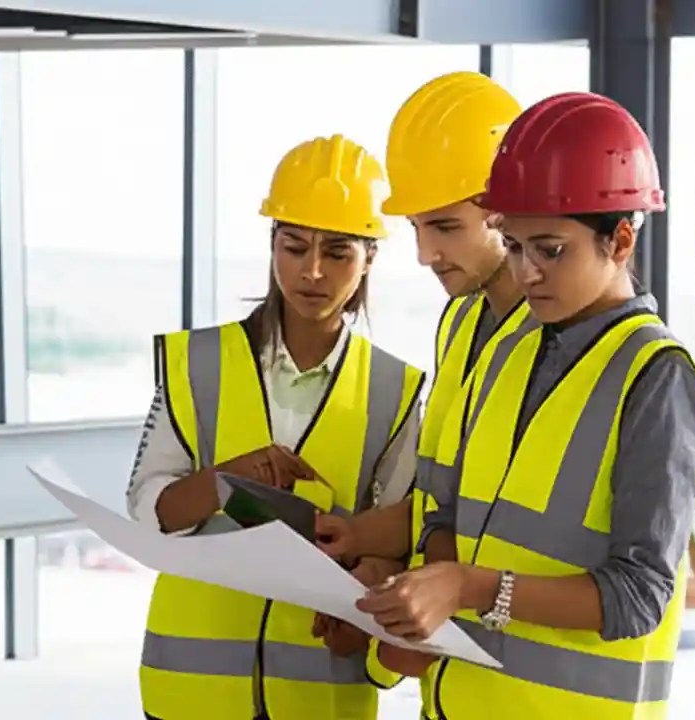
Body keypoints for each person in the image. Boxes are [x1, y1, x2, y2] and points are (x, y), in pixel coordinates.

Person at [350, 92, 695, 719]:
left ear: (622, 240)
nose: (527, 273)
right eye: (516, 246)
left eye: (551, 249)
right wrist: (416, 603)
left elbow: (639, 597)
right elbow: (447, 510)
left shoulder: (659, 381)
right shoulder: (509, 350)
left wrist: (467, 588)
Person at [126, 134, 428, 720]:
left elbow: (403, 540)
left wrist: (367, 609)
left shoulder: (397, 391)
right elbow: (145, 515)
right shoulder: (198, 365)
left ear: (370, 258)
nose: (312, 271)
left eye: (338, 252)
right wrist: (223, 482)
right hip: (192, 692)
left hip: (323, 689)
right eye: (294, 247)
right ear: (272, 246)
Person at [311, 71, 529, 681]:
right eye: (416, 228)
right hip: (457, 686)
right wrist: (361, 544)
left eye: (445, 227)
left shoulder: (557, 348)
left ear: (503, 213)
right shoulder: (460, 322)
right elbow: (447, 504)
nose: (425, 254)